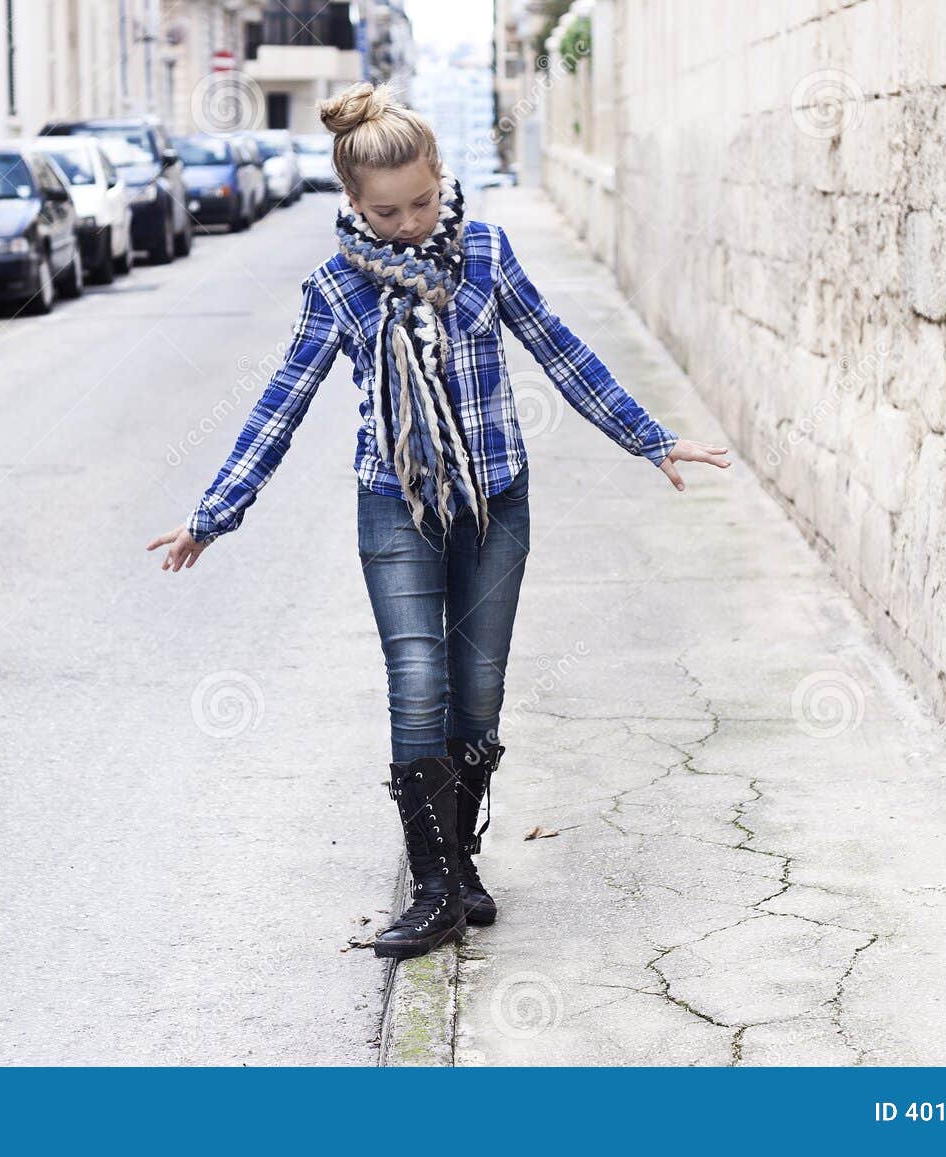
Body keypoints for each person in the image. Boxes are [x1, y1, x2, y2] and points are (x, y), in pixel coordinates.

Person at [147, 81, 730, 960]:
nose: (411, 223)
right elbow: (281, 405)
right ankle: (433, 891)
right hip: (395, 501)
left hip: (496, 498)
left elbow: (560, 348)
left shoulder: (487, 254)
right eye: (387, 211)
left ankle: (461, 865)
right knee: (419, 677)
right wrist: (213, 513)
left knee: (479, 686)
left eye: (422, 201)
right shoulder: (335, 287)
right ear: (352, 203)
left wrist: (649, 437)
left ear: (440, 178)